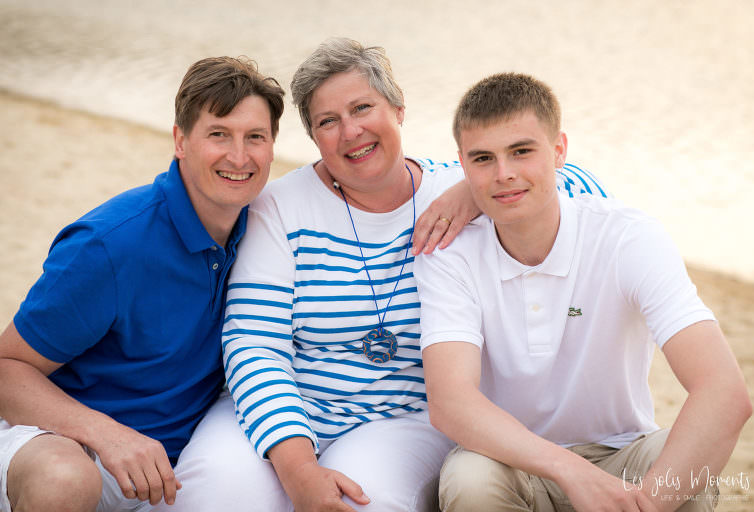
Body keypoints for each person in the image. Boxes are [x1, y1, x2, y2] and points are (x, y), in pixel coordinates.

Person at [215, 38, 606, 512]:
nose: (351, 131)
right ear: (314, 137)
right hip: (288, 407)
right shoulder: (278, 208)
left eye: (363, 107)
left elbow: (584, 187)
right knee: (213, 495)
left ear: (398, 108)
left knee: (365, 504)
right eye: (328, 122)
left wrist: (471, 190)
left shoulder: (467, 188)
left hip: (405, 420)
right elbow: (254, 345)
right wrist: (297, 468)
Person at [414, 72, 752, 512]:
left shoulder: (628, 237)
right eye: (483, 159)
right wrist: (569, 471)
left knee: (685, 469)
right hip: (513, 462)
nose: (504, 174)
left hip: (622, 453)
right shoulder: (448, 253)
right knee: (469, 478)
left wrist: (644, 504)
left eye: (521, 151)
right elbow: (451, 403)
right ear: (462, 165)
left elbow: (724, 392)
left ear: (559, 151)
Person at [0, 56, 284, 512]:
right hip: (72, 441)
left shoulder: (270, 230)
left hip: (176, 465)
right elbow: (7, 369)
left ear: (273, 147)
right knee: (63, 479)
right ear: (180, 141)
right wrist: (106, 434)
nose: (239, 156)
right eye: (218, 134)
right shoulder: (111, 245)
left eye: (255, 137)